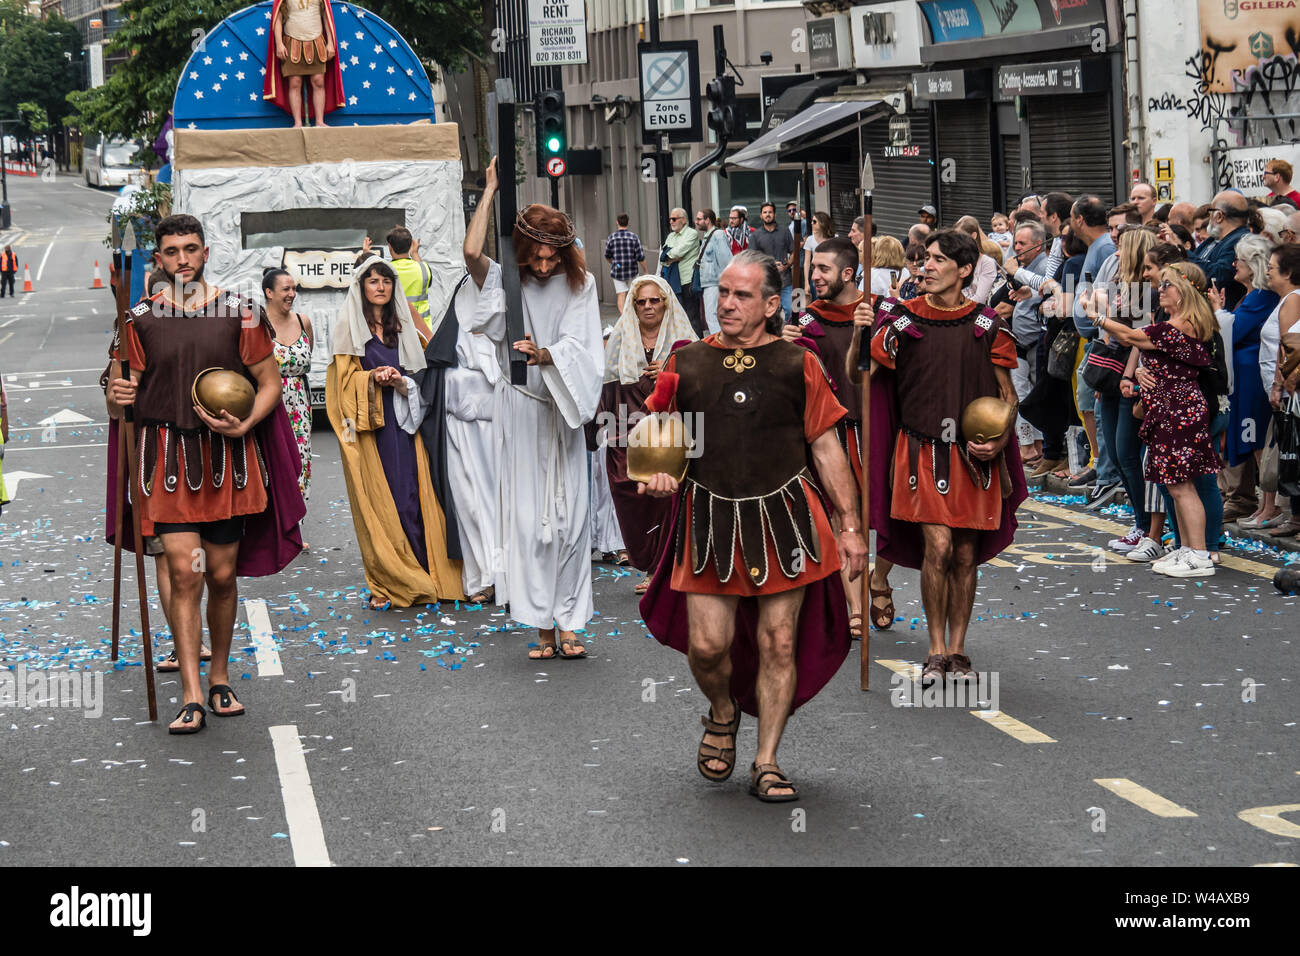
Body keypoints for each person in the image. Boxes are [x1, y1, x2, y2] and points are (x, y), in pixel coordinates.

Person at [637, 250, 868, 802]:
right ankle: (722, 711)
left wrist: (851, 525)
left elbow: (824, 443)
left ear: (770, 304)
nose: (727, 304)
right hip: (708, 519)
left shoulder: (798, 362)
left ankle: (767, 760)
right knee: (709, 646)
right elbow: (660, 432)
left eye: (742, 296)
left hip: (785, 517)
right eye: (722, 293)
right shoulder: (687, 362)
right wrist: (657, 471)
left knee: (780, 642)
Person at [108, 214, 303, 734]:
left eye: (190, 249)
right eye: (172, 252)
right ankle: (192, 691)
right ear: (160, 259)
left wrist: (249, 425)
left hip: (227, 465)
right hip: (167, 464)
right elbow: (118, 394)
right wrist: (115, 395)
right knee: (185, 573)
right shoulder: (140, 319)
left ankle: (219, 675)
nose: (183, 260)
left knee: (220, 575)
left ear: (206, 252)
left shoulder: (239, 313)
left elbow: (269, 381)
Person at [866, 229, 1026, 684]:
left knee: (964, 553)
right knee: (937, 546)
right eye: (923, 260)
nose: (926, 267)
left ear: (966, 269)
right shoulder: (901, 320)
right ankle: (934, 647)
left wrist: (999, 438)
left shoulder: (986, 324)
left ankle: (958, 647)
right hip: (919, 449)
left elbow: (1008, 396)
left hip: (974, 456)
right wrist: (864, 334)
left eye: (937, 260)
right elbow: (865, 380)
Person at [460, 157, 604, 661]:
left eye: (551, 258)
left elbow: (585, 350)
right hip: (520, 410)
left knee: (569, 518)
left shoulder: (579, 286)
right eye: (536, 258)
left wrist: (548, 356)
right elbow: (471, 251)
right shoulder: (507, 280)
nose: (543, 267)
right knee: (527, 522)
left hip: (559, 410)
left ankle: (570, 622)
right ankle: (541, 625)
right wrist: (490, 189)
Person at [326, 256, 464, 609]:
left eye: (386, 281)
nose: (381, 287)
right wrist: (370, 378)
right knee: (378, 500)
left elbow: (421, 376)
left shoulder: (402, 328)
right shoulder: (349, 330)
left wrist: (401, 381)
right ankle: (389, 579)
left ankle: (423, 571)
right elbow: (340, 386)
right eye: (373, 281)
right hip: (372, 427)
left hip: (404, 420)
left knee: (411, 498)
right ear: (361, 287)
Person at [1093, 266, 1221, 576]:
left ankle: (1200, 555)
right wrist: (1138, 372)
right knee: (1177, 485)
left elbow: (1127, 335)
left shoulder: (1178, 326)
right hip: (1173, 407)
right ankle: (1187, 548)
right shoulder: (1180, 325)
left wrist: (1096, 315)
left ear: (1184, 291)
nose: (1160, 289)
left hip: (1177, 410)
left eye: (1167, 285)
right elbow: (1159, 358)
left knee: (1181, 486)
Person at [590, 274, 696, 592]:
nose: (648, 306)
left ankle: (663, 570)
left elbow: (700, 386)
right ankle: (648, 563)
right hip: (625, 434)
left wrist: (672, 369)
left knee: (668, 500)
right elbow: (605, 386)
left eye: (655, 300)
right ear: (633, 307)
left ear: (666, 303)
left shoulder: (684, 343)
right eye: (641, 301)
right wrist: (596, 430)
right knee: (630, 499)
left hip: (671, 437)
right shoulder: (620, 342)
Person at [1210, 235, 1278, 527]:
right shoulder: (1249, 295)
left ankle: (1269, 506)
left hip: (1252, 379)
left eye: (1240, 259)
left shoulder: (1262, 297)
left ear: (1254, 264)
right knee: (1249, 441)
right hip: (1244, 377)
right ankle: (1262, 505)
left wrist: (1218, 311)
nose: (1233, 264)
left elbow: (1233, 332)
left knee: (1256, 441)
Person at [443, 295, 502, 605]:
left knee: (502, 507)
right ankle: (482, 576)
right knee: (470, 506)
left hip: (500, 439)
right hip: (463, 439)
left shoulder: (506, 348)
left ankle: (506, 576)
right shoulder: (451, 363)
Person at [999, 220, 1050, 475]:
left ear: (1038, 245)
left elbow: (1047, 287)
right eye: (1015, 242)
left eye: (1022, 243)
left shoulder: (1041, 266)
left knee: (1025, 395)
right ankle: (1032, 445)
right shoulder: (1026, 265)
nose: (1016, 247)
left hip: (1033, 343)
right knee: (1024, 394)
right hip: (1021, 342)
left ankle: (1031, 446)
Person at [1258, 243, 1300, 538]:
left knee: (1293, 455)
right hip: (1287, 392)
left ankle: (1297, 518)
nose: (1268, 273)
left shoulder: (1293, 300)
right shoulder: (1285, 299)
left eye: (1272, 268)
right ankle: (1296, 517)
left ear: (1288, 272)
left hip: (1290, 392)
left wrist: (1279, 387)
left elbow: (1290, 349)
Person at [262, 269, 313, 508]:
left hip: (300, 406)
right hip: (269, 405)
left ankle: (295, 525)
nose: (292, 294)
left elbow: (305, 361)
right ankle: (275, 529)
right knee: (274, 462)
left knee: (300, 462)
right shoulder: (258, 326)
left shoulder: (303, 322)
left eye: (294, 289)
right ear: (269, 292)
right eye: (286, 289)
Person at [265, 0, 344, 128]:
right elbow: (277, 19)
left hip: (316, 42)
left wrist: (330, 43)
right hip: (292, 42)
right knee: (295, 83)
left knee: (318, 81)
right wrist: (279, 43)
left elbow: (326, 17)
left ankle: (319, 122)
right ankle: (298, 123)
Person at [1193, 192, 1251, 310]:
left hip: (1218, 314)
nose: (1209, 218)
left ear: (1219, 216)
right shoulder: (1214, 239)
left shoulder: (1239, 240)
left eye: (1210, 213)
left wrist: (1181, 253)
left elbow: (1219, 275)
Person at [383, 226, 437, 328]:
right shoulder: (423, 269)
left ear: (390, 247)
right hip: (422, 330)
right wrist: (414, 253)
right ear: (409, 246)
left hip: (395, 328)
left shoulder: (385, 271)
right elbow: (426, 279)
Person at [750, 202, 797, 318]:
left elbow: (794, 252)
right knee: (769, 314)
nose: (767, 215)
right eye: (765, 212)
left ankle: (787, 334)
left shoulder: (784, 231)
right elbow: (752, 258)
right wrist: (769, 264)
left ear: (775, 214)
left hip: (785, 280)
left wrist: (787, 265)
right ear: (761, 215)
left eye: (770, 212)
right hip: (766, 282)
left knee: (792, 310)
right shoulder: (756, 235)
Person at [662, 207, 702, 334]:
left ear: (683, 220)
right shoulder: (670, 236)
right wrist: (672, 256)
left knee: (692, 316)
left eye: (674, 219)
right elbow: (663, 257)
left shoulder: (691, 233)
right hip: (673, 282)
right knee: (677, 317)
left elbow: (678, 252)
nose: (671, 222)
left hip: (687, 280)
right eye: (670, 219)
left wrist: (672, 256)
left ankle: (698, 345)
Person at [694, 208, 732, 335]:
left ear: (708, 220)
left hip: (715, 283)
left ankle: (720, 346)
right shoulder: (709, 236)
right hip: (710, 283)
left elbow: (726, 260)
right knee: (712, 316)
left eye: (699, 219)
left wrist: (726, 284)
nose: (696, 222)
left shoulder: (717, 235)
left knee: (712, 317)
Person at [603, 213, 646, 314]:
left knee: (621, 295)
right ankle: (633, 316)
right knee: (633, 294)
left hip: (617, 271)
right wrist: (645, 270)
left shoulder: (611, 238)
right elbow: (640, 256)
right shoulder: (634, 237)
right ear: (628, 223)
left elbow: (607, 255)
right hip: (632, 270)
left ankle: (624, 317)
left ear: (617, 222)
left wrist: (615, 264)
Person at [954, 216, 999, 303]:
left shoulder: (987, 262)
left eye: (961, 237)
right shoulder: (955, 260)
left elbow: (980, 299)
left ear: (974, 235)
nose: (957, 241)